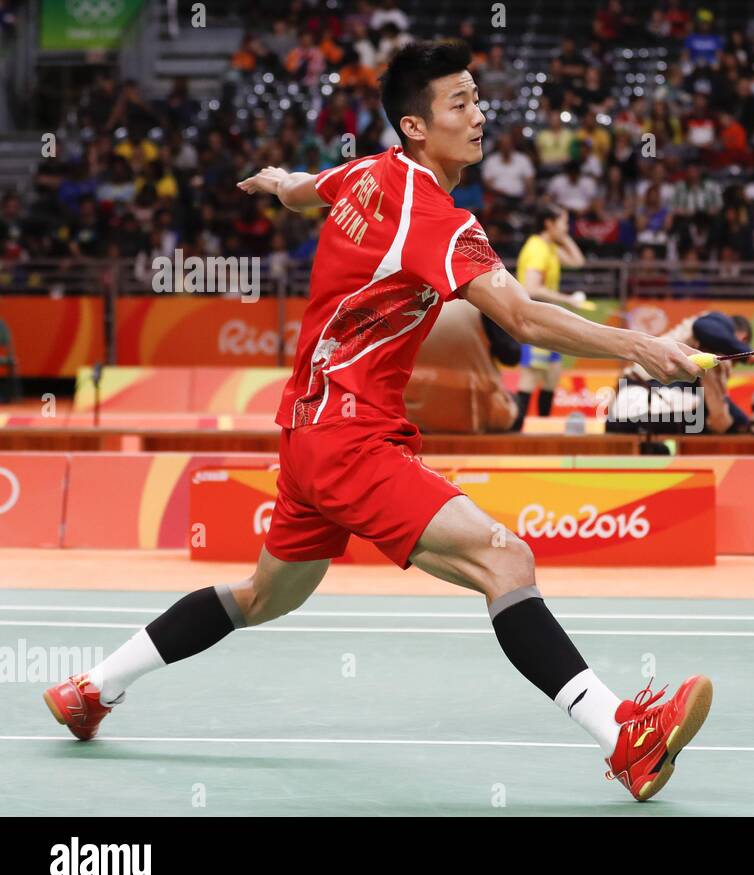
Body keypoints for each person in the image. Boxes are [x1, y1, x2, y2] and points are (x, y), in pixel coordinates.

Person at [46, 40, 712, 804]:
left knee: (264, 596)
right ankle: (624, 733)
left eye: (476, 96)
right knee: (507, 561)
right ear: (417, 126)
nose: (478, 112)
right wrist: (642, 346)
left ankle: (90, 688)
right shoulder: (436, 217)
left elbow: (305, 190)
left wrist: (274, 183)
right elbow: (522, 317)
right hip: (352, 438)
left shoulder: (364, 171)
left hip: (304, 434)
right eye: (459, 102)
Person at [608, 311, 754, 435]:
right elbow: (702, 327)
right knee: (710, 417)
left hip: (633, 404)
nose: (734, 361)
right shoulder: (713, 324)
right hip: (634, 401)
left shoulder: (709, 351)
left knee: (713, 416)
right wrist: (746, 353)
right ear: (742, 337)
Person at [513, 203, 589, 428]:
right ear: (549, 223)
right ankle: (515, 430)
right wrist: (568, 300)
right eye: (564, 222)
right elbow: (531, 287)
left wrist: (563, 237)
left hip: (547, 322)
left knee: (552, 375)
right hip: (534, 320)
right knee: (530, 376)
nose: (567, 227)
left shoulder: (549, 247)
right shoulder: (537, 248)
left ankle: (544, 428)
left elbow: (578, 261)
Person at [405, 298, 521, 433]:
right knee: (515, 403)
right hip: (474, 411)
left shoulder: (407, 295)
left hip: (411, 412)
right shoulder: (485, 299)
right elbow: (511, 356)